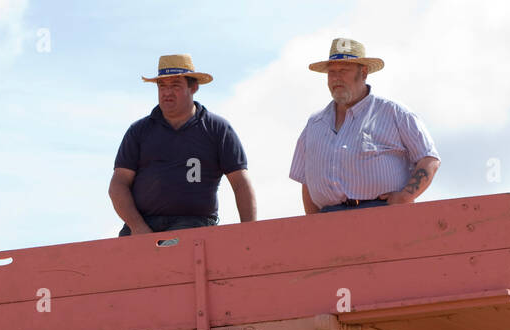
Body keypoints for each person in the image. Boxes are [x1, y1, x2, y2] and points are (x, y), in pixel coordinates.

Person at [289, 38, 440, 215]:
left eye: (344, 70)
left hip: (383, 216)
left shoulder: (395, 113)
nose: (336, 77)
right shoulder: (314, 124)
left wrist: (404, 197)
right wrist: (312, 224)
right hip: (328, 220)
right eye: (331, 72)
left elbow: (429, 158)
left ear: (364, 73)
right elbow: (306, 180)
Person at [110, 54, 256, 236]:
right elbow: (118, 184)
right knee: (116, 260)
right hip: (142, 225)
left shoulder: (217, 129)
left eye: (175, 86)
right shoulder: (138, 131)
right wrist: (137, 227)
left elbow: (240, 183)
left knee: (172, 253)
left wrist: (249, 233)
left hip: (195, 224)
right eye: (162, 86)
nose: (167, 92)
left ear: (193, 87)